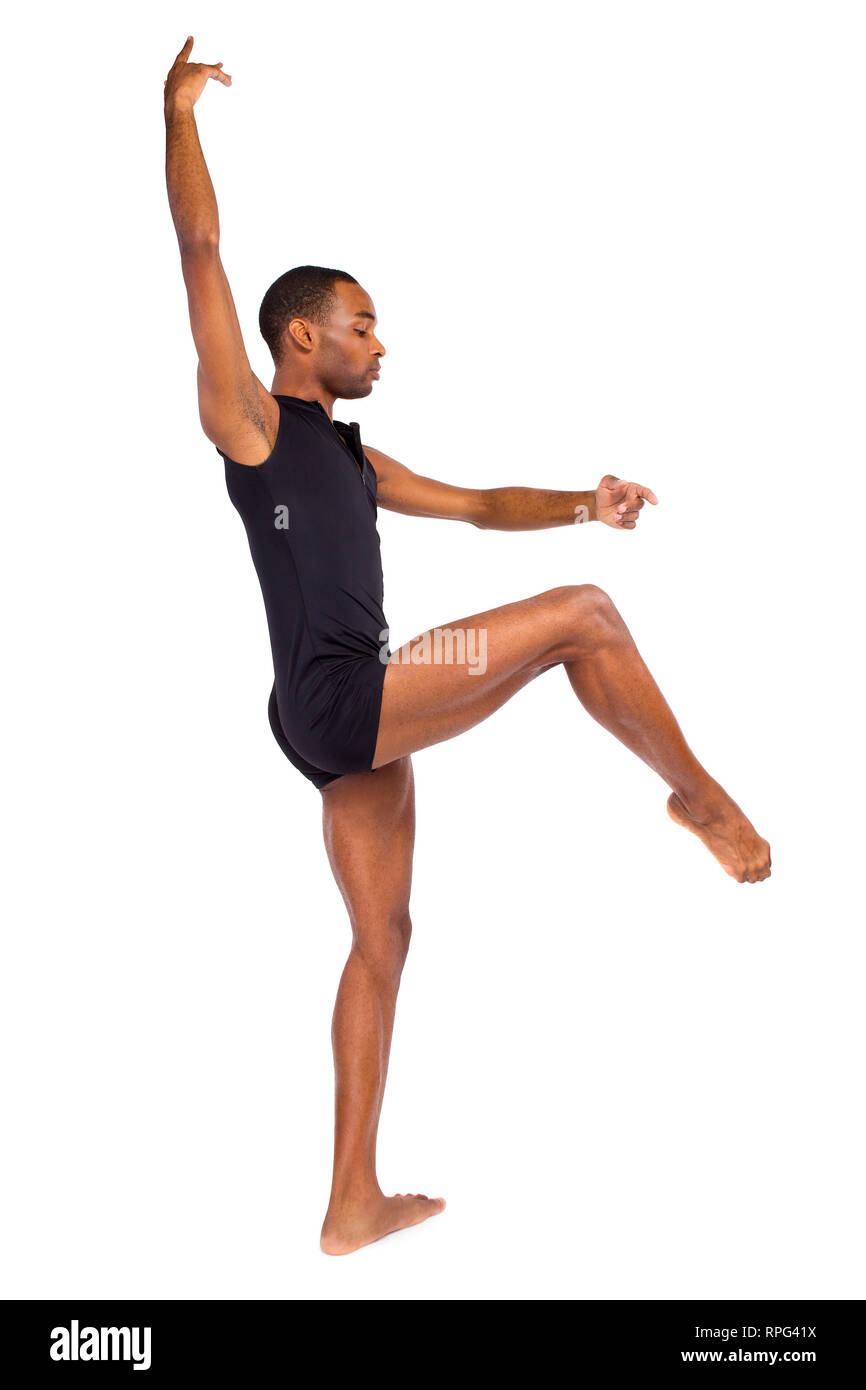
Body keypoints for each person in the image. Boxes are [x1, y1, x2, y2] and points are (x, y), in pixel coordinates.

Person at [164, 38, 771, 1257]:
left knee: (381, 938)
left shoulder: (348, 458)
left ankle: (349, 1202)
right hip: (344, 696)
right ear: (299, 339)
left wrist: (578, 500)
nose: (381, 344)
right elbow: (200, 252)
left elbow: (484, 505)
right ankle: (701, 803)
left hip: (323, 716)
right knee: (584, 616)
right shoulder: (249, 423)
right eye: (363, 326)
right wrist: (173, 114)